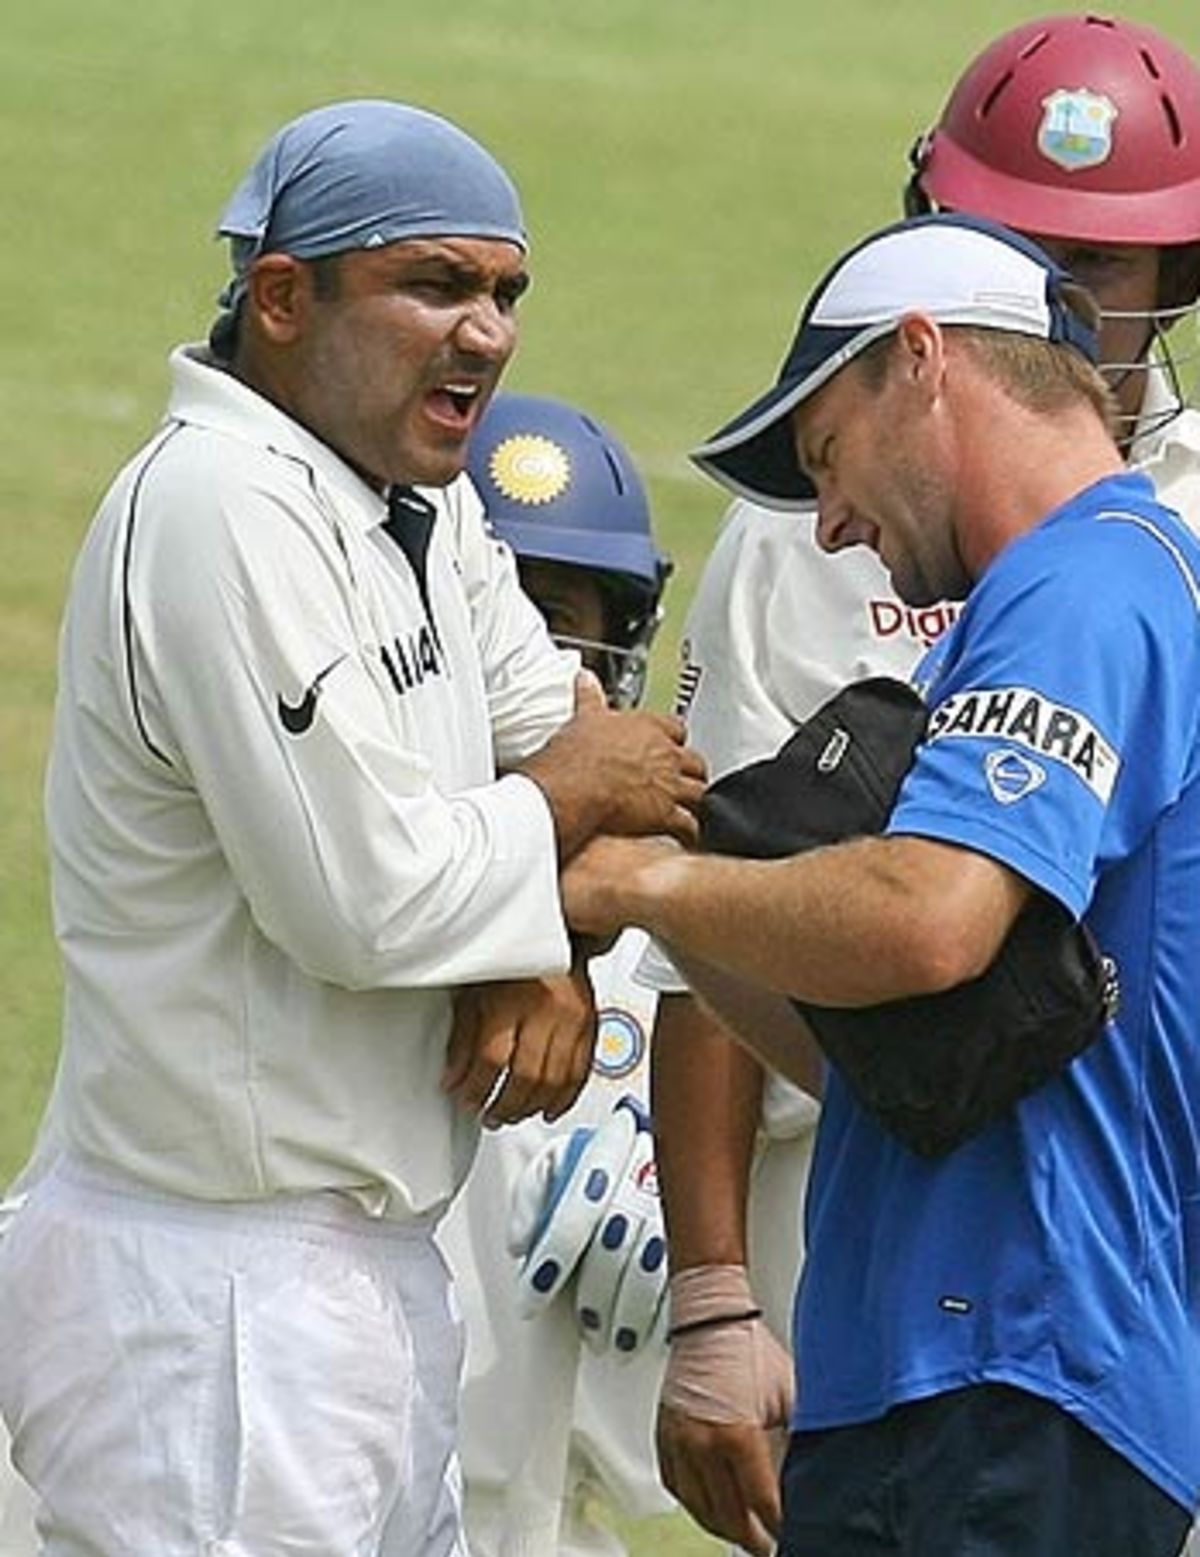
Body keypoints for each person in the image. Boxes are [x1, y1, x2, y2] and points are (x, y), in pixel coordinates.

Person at [0, 100, 706, 1557]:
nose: (488, 334)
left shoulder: (420, 509)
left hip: (363, 1281)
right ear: (281, 298)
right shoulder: (214, 509)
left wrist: (544, 955)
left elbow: (574, 728)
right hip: (208, 1310)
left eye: (506, 294)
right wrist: (563, 820)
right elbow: (369, 902)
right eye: (436, 286)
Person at [643, 15, 1200, 1554]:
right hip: (946, 1365)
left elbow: (934, 926)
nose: (824, 525)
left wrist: (635, 881)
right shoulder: (1054, 594)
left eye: (825, 458)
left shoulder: (1088, 584)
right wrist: (685, 894)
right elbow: (889, 1060)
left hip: (1023, 1365)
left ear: (921, 363)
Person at [437, 390, 678, 1557]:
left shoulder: (665, 921)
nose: (526, 654)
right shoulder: (321, 842)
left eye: (559, 616)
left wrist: (693, 1202)